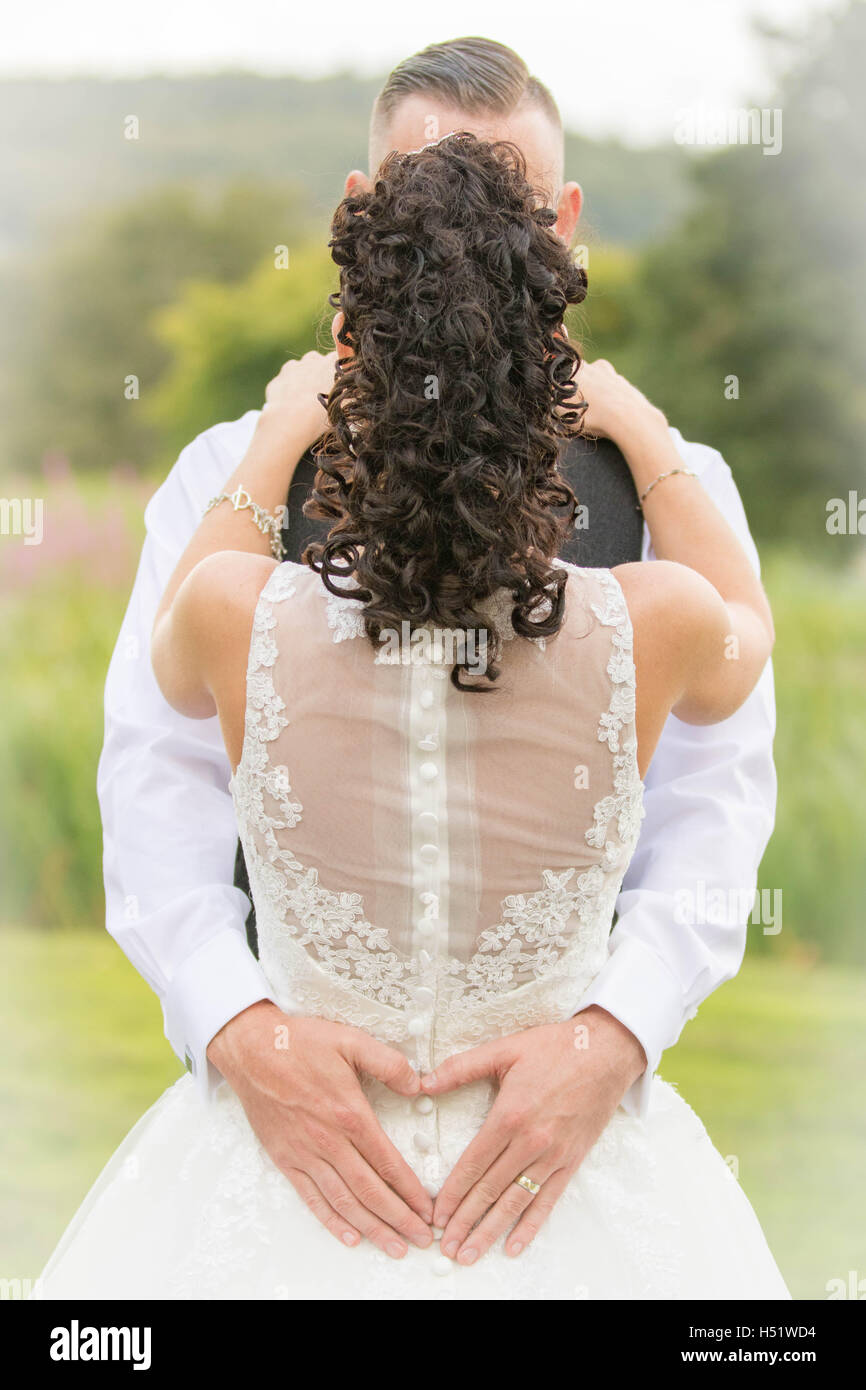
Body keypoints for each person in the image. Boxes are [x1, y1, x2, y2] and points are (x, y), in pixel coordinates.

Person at [38, 132, 787, 1299]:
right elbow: (750, 628)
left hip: (288, 1212)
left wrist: (283, 427)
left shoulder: (234, 615)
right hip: (560, 1214)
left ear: (350, 358)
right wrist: (640, 431)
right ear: (553, 365)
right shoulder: (659, 621)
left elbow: (162, 657)